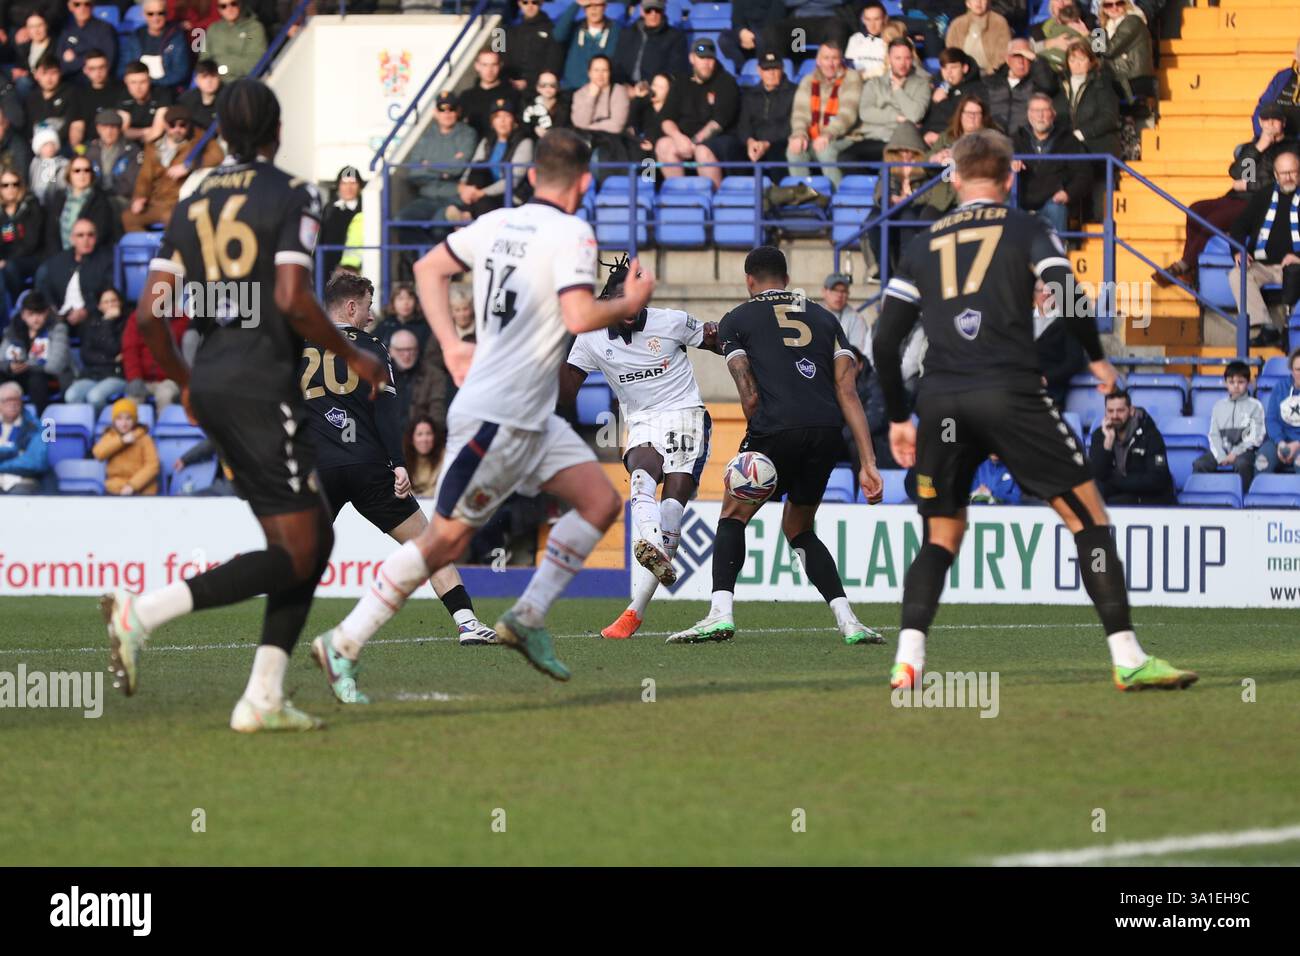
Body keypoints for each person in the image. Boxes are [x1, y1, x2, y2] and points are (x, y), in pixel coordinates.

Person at [311, 128, 656, 686]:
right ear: (585, 182)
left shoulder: (495, 223)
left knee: (598, 502)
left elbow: (427, 270)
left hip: (530, 414)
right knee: (442, 540)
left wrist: (450, 343)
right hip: (498, 414)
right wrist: (629, 301)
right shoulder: (573, 232)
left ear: (534, 175)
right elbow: (576, 317)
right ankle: (343, 641)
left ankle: (528, 615)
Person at [100, 79, 389, 733]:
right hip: (264, 384)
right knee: (299, 550)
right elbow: (290, 296)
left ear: (222, 135)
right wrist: (355, 355)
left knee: (308, 541)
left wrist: (189, 384)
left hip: (215, 377)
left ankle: (263, 694)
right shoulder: (292, 194)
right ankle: (142, 616)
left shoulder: (192, 198)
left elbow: (150, 315)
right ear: (277, 132)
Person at [873, 129, 1196, 692]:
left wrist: (900, 416)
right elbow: (1067, 292)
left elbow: (884, 342)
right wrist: (1097, 362)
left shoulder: (921, 244)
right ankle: (1127, 657)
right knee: (1089, 519)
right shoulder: (1025, 227)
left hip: (942, 399)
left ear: (953, 176)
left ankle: (908, 659)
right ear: (1009, 177)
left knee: (940, 536)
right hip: (1009, 392)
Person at [668, 245, 885, 646]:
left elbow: (748, 394)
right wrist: (867, 463)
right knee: (799, 528)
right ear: (786, 278)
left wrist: (758, 443)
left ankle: (719, 613)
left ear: (750, 280)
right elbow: (848, 390)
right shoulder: (825, 317)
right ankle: (848, 620)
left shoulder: (737, 319)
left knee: (733, 516)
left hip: (774, 428)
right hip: (825, 432)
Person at [301, 275, 499, 685]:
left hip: (319, 468)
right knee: (427, 545)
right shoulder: (371, 348)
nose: (374, 313)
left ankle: (276, 640)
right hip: (368, 466)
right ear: (351, 308)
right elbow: (387, 414)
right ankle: (467, 622)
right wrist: (399, 462)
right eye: (369, 304)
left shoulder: (299, 347)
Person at [559, 256, 721, 640]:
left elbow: (718, 341)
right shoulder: (591, 338)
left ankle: (635, 611)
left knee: (671, 506)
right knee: (642, 474)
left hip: (685, 415)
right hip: (643, 420)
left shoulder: (673, 321)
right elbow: (565, 394)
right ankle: (653, 545)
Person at [1155, 105, 1296, 290]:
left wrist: (1251, 185)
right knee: (1195, 209)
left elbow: (1286, 180)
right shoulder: (1254, 146)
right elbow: (1239, 173)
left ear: (1283, 123)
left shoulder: (1291, 148)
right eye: (1266, 119)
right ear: (1260, 122)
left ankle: (1185, 264)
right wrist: (1260, 146)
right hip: (1237, 197)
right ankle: (1189, 268)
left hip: (1261, 201)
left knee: (1214, 220)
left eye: (1275, 119)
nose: (1270, 123)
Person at [1228, 149, 1300, 348]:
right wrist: (1238, 251)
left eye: (1293, 172)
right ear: (1276, 175)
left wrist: (1298, 257)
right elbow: (1239, 226)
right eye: (1283, 173)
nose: (1288, 178)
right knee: (1238, 274)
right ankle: (1267, 328)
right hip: (1264, 265)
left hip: (1296, 268)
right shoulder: (1264, 195)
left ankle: (1291, 330)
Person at [394, 91, 477, 252]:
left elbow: (458, 168)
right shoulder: (426, 136)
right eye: (442, 109)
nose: (447, 113)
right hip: (427, 197)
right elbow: (414, 174)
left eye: (451, 109)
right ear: (435, 113)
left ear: (458, 111)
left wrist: (429, 165)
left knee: (439, 227)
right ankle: (431, 261)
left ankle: (441, 265)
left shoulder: (467, 133)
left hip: (453, 198)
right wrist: (446, 169)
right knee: (401, 221)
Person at [123, 105, 223, 231]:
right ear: (165, 125)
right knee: (128, 217)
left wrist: (189, 166)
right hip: (156, 201)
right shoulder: (153, 145)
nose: (177, 129)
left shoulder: (198, 139)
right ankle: (149, 249)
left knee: (172, 218)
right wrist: (139, 197)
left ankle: (171, 250)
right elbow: (145, 176)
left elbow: (218, 156)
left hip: (179, 202)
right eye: (172, 125)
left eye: (182, 125)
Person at [655, 38, 739, 188]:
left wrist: (694, 142)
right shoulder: (681, 82)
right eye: (702, 58)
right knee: (663, 145)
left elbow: (719, 122)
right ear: (692, 58)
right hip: (685, 138)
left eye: (710, 59)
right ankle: (681, 198)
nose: (706, 63)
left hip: (718, 140)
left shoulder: (726, 82)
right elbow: (666, 118)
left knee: (702, 151)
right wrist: (678, 137)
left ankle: (716, 201)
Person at [841, 38, 930, 166]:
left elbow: (915, 115)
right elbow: (865, 112)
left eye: (907, 58)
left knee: (890, 162)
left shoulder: (922, 84)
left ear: (912, 59)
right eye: (897, 58)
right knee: (845, 158)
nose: (902, 63)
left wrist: (898, 90)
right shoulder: (874, 83)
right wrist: (897, 117)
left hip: (902, 142)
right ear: (889, 59)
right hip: (873, 138)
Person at [784, 41, 862, 187]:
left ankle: (839, 197)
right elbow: (800, 113)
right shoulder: (808, 80)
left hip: (845, 136)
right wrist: (799, 134)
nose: (830, 63)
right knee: (794, 150)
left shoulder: (852, 78)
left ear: (841, 60)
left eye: (834, 58)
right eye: (826, 58)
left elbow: (847, 114)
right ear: (818, 60)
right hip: (814, 136)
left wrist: (827, 134)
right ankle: (804, 195)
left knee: (825, 151)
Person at [1012, 92, 1090, 234]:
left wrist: (1068, 193)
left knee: (1057, 209)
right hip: (1020, 202)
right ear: (1029, 114)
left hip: (1052, 202)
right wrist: (1009, 167)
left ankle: (1057, 253)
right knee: (1005, 207)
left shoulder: (1069, 141)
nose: (1040, 116)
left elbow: (1083, 173)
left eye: (1045, 110)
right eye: (1036, 111)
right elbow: (996, 172)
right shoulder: (1015, 140)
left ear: (1053, 114)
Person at [1087, 389, 1176, 505]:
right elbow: (1096, 475)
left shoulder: (1150, 435)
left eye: (1120, 411)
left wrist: (1115, 481)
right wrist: (1107, 445)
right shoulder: (1100, 435)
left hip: (1148, 499)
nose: (1114, 416)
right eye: (1110, 411)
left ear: (1131, 410)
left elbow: (1157, 479)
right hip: (1117, 495)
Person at [452, 100, 534, 220]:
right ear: (492, 122)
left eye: (507, 116)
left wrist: (481, 193)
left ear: (514, 121)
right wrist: (464, 185)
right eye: (497, 117)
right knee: (478, 169)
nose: (502, 121)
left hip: (510, 195)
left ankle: (466, 215)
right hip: (484, 191)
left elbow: (513, 181)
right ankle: (467, 214)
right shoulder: (488, 141)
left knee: (483, 203)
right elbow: (474, 165)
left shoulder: (524, 142)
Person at [1192, 360, 1267, 491]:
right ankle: (1204, 498)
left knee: (1242, 464)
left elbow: (1255, 436)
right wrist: (1220, 456)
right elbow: (1213, 435)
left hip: (1245, 452)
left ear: (1248, 383)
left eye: (1241, 382)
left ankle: (1243, 498)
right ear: (1226, 383)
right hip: (1222, 451)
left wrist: (1235, 453)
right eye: (1231, 382)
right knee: (1200, 464)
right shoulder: (1218, 406)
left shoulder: (1255, 406)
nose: (1236, 386)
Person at [0, 290, 69, 410]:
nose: (35, 319)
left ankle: (39, 421)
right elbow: (1, 359)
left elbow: (54, 366)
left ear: (47, 312)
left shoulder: (57, 329)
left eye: (40, 314)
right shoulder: (13, 330)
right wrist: (9, 366)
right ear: (23, 315)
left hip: (50, 379)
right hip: (20, 376)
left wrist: (28, 365)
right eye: (31, 314)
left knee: (36, 380)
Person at [63, 286, 128, 413]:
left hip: (116, 375)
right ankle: (81, 428)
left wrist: (108, 322)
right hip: (92, 375)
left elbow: (115, 348)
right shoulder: (91, 324)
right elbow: (86, 355)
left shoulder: (127, 324)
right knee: (71, 395)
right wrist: (111, 360)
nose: (111, 305)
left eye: (114, 301)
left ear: (120, 302)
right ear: (99, 306)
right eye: (106, 302)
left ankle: (99, 429)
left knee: (95, 397)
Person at [35, 216, 113, 319]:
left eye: (90, 235)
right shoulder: (57, 262)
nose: (86, 239)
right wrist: (53, 310)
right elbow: (46, 291)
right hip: (59, 317)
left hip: (92, 318)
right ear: (72, 239)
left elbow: (109, 294)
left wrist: (86, 311)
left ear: (96, 238)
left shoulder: (107, 261)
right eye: (80, 235)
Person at [983, 38, 1054, 140]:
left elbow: (1049, 86)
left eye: (1026, 56)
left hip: (1023, 142)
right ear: (1007, 59)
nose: (1021, 61)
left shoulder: (1036, 84)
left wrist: (1036, 59)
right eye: (1016, 56)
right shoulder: (990, 82)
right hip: (992, 141)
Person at [736, 52, 796, 171]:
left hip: (780, 144)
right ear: (759, 70)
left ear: (782, 69)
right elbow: (743, 123)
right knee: (734, 151)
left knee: (780, 151)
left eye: (775, 68)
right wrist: (750, 141)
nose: (771, 73)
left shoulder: (795, 92)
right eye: (767, 69)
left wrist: (767, 143)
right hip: (754, 145)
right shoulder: (750, 95)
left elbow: (792, 124)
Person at [570, 55, 632, 169]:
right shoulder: (579, 94)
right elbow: (579, 123)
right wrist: (592, 97)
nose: (600, 75)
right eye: (596, 70)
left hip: (616, 141)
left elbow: (617, 126)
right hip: (587, 140)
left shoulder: (619, 91)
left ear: (610, 73)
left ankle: (644, 183)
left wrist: (590, 125)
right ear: (589, 73)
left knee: (644, 155)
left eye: (604, 70)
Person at [118, 0, 193, 93]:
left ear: (166, 14)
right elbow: (124, 68)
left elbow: (180, 72)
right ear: (143, 14)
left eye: (160, 13)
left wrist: (150, 83)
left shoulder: (176, 37)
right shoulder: (135, 37)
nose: (156, 18)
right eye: (150, 14)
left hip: (166, 90)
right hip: (136, 90)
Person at [44, 156, 118, 250]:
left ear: (91, 174)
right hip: (60, 256)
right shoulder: (59, 197)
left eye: (86, 170)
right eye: (77, 170)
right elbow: (51, 232)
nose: (82, 174)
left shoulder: (100, 200)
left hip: (89, 256)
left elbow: (100, 234)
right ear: (69, 174)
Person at [92, 396, 161, 496]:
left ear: (135, 420)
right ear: (114, 421)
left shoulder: (144, 438)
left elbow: (152, 466)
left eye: (128, 418)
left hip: (141, 490)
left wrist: (132, 485)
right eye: (119, 419)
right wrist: (121, 441)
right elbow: (98, 453)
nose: (124, 423)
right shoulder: (110, 436)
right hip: (115, 489)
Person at [613, 0, 687, 89]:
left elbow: (675, 71)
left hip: (656, 89)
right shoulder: (626, 34)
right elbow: (617, 65)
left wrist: (648, 86)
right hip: (626, 89)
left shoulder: (675, 37)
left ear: (663, 11)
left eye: (657, 10)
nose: (653, 14)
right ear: (642, 12)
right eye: (648, 10)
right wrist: (625, 86)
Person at [553, 0, 622, 92]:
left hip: (601, 90)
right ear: (583, 9)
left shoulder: (615, 30)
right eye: (588, 6)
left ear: (605, 7)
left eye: (597, 5)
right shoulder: (575, 28)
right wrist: (576, 4)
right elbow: (558, 35)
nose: (593, 9)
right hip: (572, 89)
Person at [921, 48, 984, 147]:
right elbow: (925, 119)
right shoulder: (937, 88)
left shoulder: (976, 90)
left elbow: (963, 120)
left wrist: (942, 102)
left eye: (953, 67)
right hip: (928, 140)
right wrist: (925, 134)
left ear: (964, 68)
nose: (948, 72)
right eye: (944, 68)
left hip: (957, 142)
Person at [85, 109, 143, 216]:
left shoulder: (131, 151)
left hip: (121, 199)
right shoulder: (90, 150)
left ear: (119, 129)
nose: (109, 132)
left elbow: (132, 183)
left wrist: (108, 193)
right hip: (95, 197)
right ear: (98, 129)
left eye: (113, 127)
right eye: (104, 127)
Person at [1096, 0, 1154, 105]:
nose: (1114, 8)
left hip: (1133, 77)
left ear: (1126, 4)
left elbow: (1109, 50)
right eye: (1109, 5)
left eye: (1119, 3)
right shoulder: (1105, 27)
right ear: (1103, 9)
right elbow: (1097, 53)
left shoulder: (1133, 21)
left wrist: (1089, 34)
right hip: (1117, 77)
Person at [0, 169, 44, 303]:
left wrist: (5, 260)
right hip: (6, 259)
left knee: (9, 268)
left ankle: (19, 305)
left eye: (15, 184)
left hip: (31, 258)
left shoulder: (31, 206)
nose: (10, 188)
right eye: (5, 185)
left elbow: (31, 242)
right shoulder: (1, 212)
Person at [457, 49, 520, 141]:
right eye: (485, 65)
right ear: (477, 66)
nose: (489, 70)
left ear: (500, 65)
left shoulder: (512, 94)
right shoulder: (466, 96)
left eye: (493, 65)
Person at [762, 0, 854, 63]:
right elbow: (788, 1)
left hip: (828, 21)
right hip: (799, 24)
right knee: (774, 31)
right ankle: (783, 72)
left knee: (837, 29)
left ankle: (833, 69)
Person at [504, 0, 565, 94]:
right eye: (525, 2)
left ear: (541, 3)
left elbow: (554, 63)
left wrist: (529, 82)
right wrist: (508, 81)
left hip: (539, 91)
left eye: (534, 2)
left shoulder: (552, 30)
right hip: (510, 89)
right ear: (519, 3)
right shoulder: (508, 31)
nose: (530, 6)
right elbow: (498, 58)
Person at [69, 48, 125, 150]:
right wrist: (79, 149)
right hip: (90, 146)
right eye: (92, 68)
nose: (98, 72)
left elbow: (125, 123)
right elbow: (77, 126)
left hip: (118, 144)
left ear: (107, 67)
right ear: (85, 70)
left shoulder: (121, 90)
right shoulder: (79, 94)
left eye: (101, 67)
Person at [0, 380, 49, 494]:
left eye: (15, 399)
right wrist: (17, 454)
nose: (12, 404)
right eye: (6, 400)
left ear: (21, 402)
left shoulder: (37, 427)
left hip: (23, 482)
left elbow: (35, 463)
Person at [945, 0, 1012, 76]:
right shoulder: (957, 24)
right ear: (968, 3)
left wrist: (990, 72)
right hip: (963, 76)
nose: (978, 2)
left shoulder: (999, 22)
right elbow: (951, 53)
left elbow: (1003, 53)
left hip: (991, 75)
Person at [205, 0, 267, 81]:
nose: (229, 9)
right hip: (215, 84)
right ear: (219, 10)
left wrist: (222, 67)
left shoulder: (254, 29)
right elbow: (204, 60)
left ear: (240, 4)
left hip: (243, 83)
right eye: (223, 6)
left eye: (233, 4)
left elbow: (254, 63)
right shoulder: (212, 29)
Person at [55, 0, 118, 78]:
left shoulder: (105, 29)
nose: (82, 8)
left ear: (93, 6)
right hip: (68, 81)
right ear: (70, 6)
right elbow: (59, 63)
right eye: (77, 4)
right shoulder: (66, 30)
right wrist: (86, 60)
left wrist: (75, 61)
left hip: (94, 83)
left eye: (87, 4)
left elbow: (108, 61)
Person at [718, 0, 784, 74]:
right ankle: (742, 71)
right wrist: (741, 31)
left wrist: (754, 35)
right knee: (724, 39)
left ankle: (760, 70)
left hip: (766, 31)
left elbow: (776, 18)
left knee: (762, 38)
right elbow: (736, 18)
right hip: (745, 32)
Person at [320, 165, 363, 277]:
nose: (348, 187)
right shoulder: (329, 208)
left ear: (359, 186)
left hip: (354, 270)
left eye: (353, 183)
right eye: (344, 183)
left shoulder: (365, 209)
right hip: (327, 267)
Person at [1263, 347, 1300, 474]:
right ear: (1291, 370)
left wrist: (1297, 444)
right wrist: (1280, 442)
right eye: (1298, 370)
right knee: (1262, 462)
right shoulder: (1280, 387)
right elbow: (1271, 419)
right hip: (1280, 441)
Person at [117, 60, 172, 145]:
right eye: (133, 82)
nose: (138, 87)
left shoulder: (162, 95)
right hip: (129, 147)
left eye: (142, 82)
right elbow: (123, 131)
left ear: (149, 80)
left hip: (157, 143)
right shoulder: (122, 96)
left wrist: (140, 138)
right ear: (126, 81)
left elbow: (157, 132)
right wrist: (145, 131)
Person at [820, 272, 868, 351]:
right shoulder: (813, 313)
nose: (839, 295)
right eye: (834, 290)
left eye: (843, 291)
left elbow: (857, 354)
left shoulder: (856, 319)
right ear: (824, 291)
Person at [845, 1, 891, 80]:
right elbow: (849, 65)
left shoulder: (892, 40)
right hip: (858, 82)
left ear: (885, 19)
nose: (872, 25)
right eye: (868, 19)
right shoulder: (855, 39)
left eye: (876, 19)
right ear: (863, 20)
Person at [520, 70, 571, 140]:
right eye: (543, 85)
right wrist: (534, 129)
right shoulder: (530, 105)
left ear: (558, 87)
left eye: (552, 85)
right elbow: (524, 126)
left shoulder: (565, 106)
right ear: (537, 87)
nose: (548, 88)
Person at [177, 58, 223, 130]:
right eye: (204, 77)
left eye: (213, 76)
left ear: (219, 78)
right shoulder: (186, 100)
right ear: (196, 80)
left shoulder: (228, 100)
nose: (209, 81)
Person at [403, 416, 443, 496]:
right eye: (419, 434)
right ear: (412, 439)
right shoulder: (403, 458)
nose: (424, 439)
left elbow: (443, 485)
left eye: (428, 433)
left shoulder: (444, 457)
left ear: (435, 437)